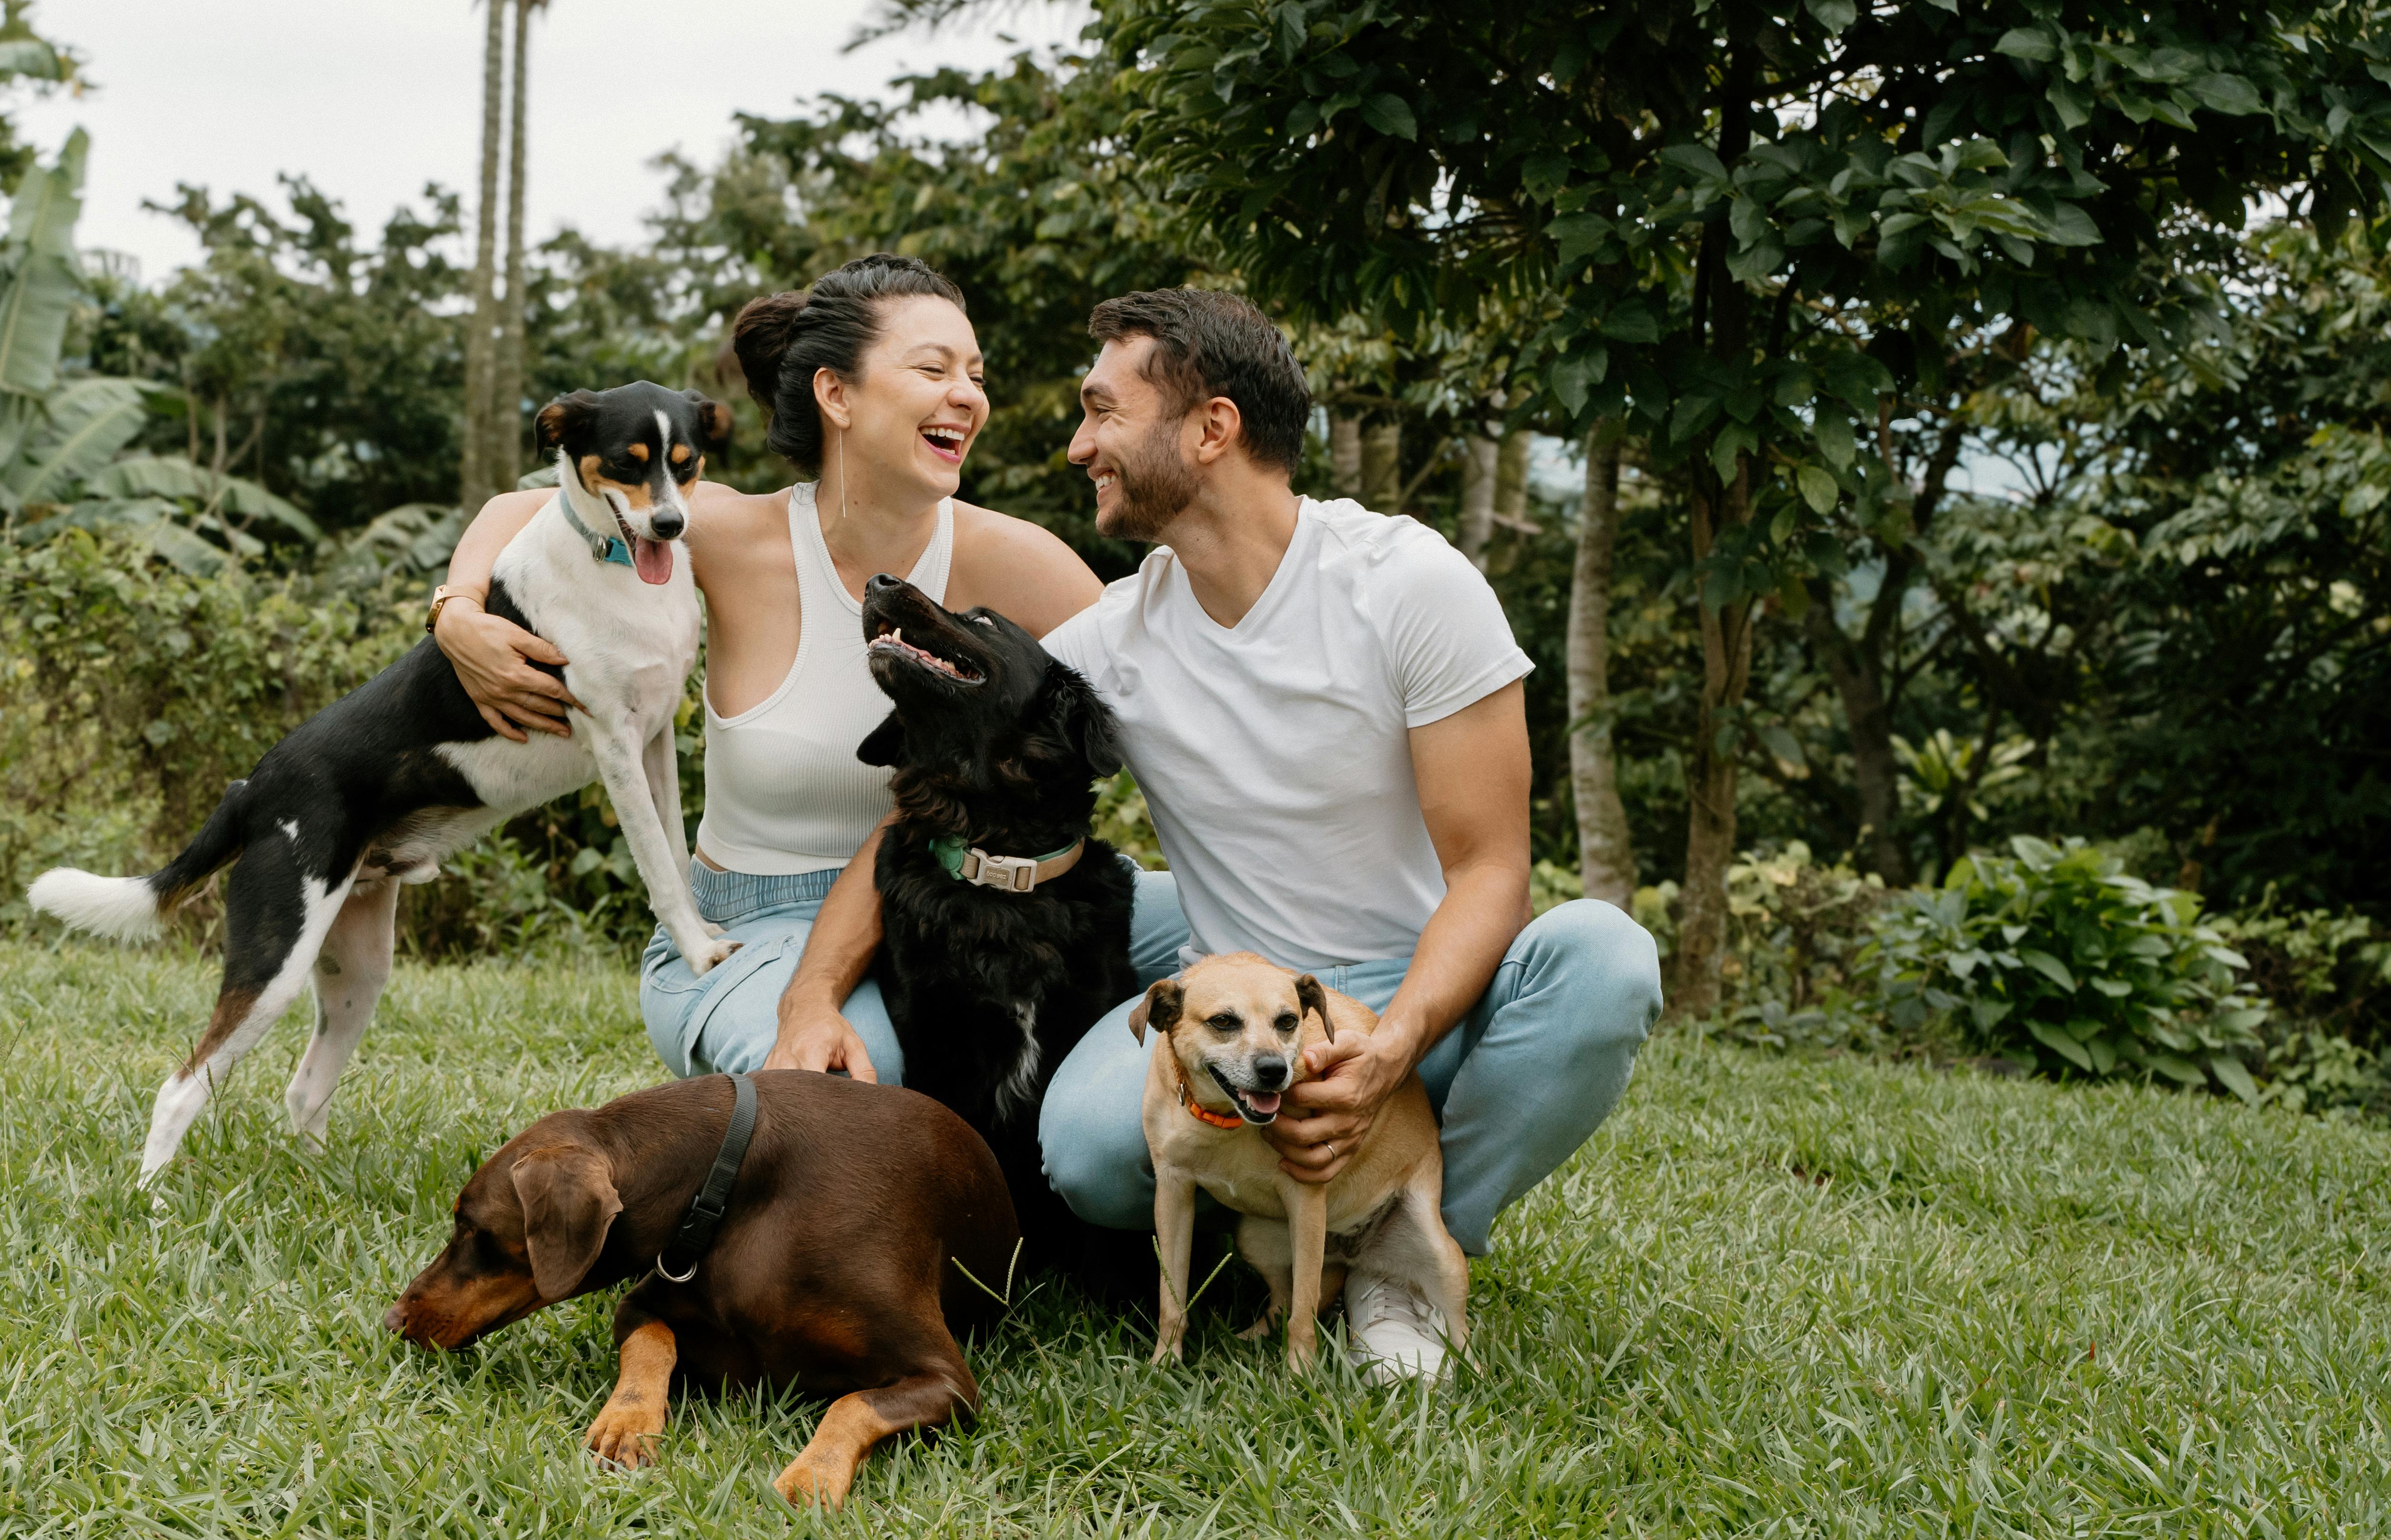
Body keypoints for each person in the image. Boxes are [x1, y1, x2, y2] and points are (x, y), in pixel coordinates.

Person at [767, 289, 1663, 1380]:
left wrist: (1386, 1054)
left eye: (1103, 411)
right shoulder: (1116, 639)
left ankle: (1396, 1246)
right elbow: (923, 814)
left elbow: (1492, 870)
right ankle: (1279, 1227)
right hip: (1236, 1001)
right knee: (1087, 1149)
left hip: (1419, 991)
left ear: (1211, 428)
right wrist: (810, 999)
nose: (1078, 444)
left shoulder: (1408, 583)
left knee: (1607, 959)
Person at [430, 253, 1187, 1076]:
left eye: (976, 374)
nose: (968, 396)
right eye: (933, 369)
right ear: (837, 396)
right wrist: (458, 610)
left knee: (1253, 934)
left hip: (965, 907)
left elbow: (1164, 703)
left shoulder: (1017, 558)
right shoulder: (728, 536)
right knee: (854, 1091)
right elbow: (520, 510)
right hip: (761, 927)